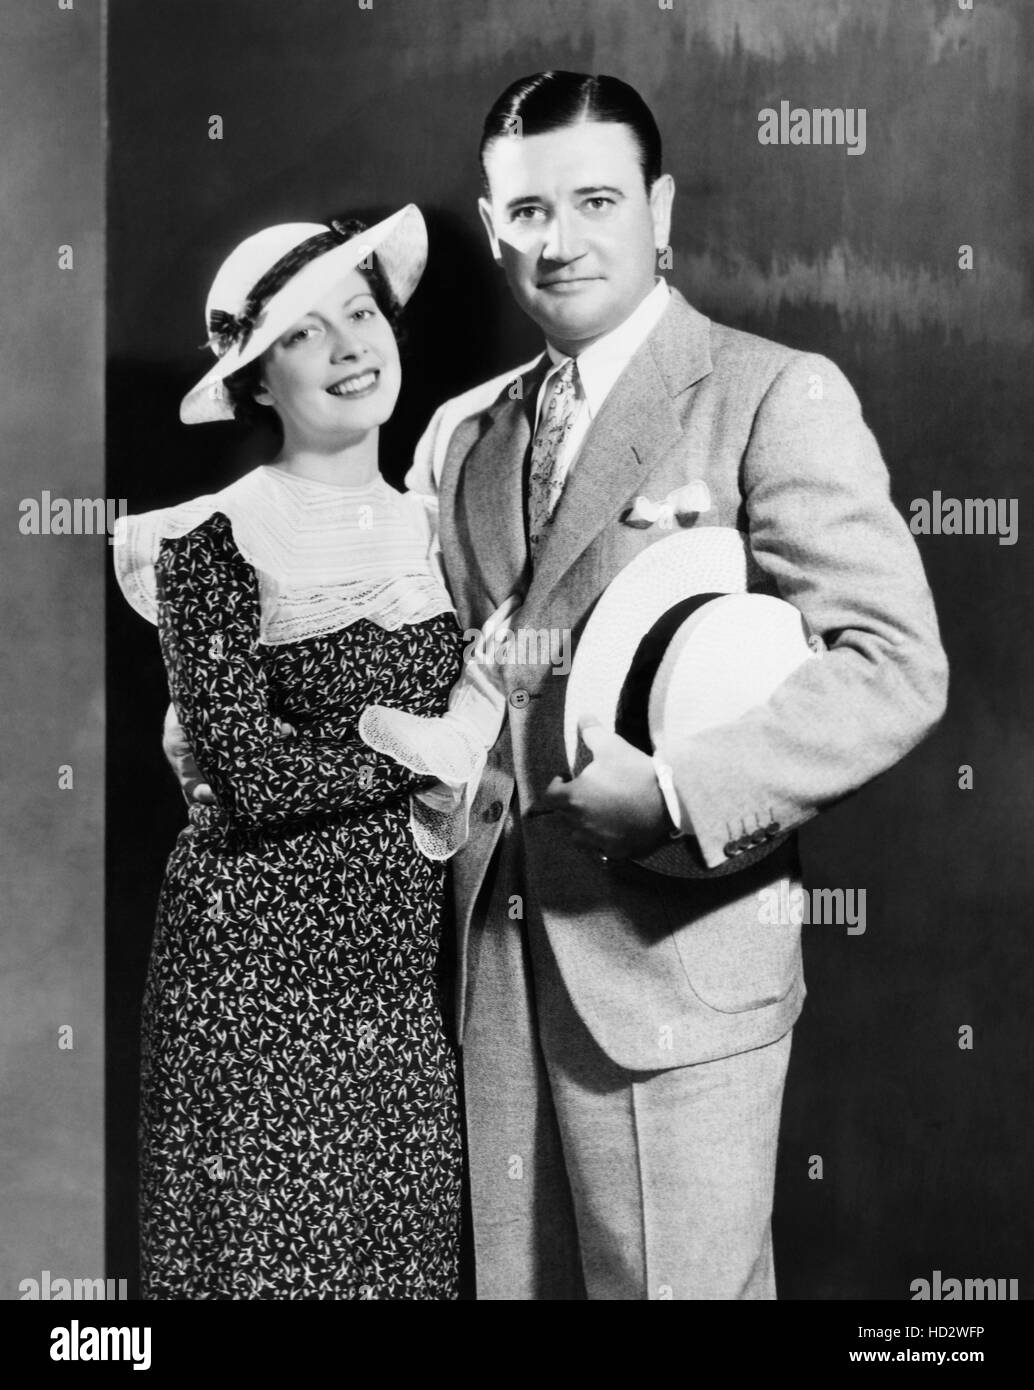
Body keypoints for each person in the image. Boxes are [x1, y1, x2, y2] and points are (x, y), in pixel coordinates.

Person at [168, 72, 948, 1301]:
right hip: (482, 985)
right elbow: (398, 652)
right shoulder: (463, 434)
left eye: (594, 200)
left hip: (673, 970)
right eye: (529, 211)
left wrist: (687, 791)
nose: (561, 238)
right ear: (492, 230)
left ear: (659, 207)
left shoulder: (766, 394)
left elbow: (891, 665)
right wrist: (209, 719)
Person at [114, 206, 471, 1299]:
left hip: (392, 989)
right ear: (258, 383)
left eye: (360, 312)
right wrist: (424, 754)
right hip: (252, 987)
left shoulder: (446, 526)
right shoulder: (209, 539)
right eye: (305, 335)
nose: (349, 347)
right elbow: (250, 775)